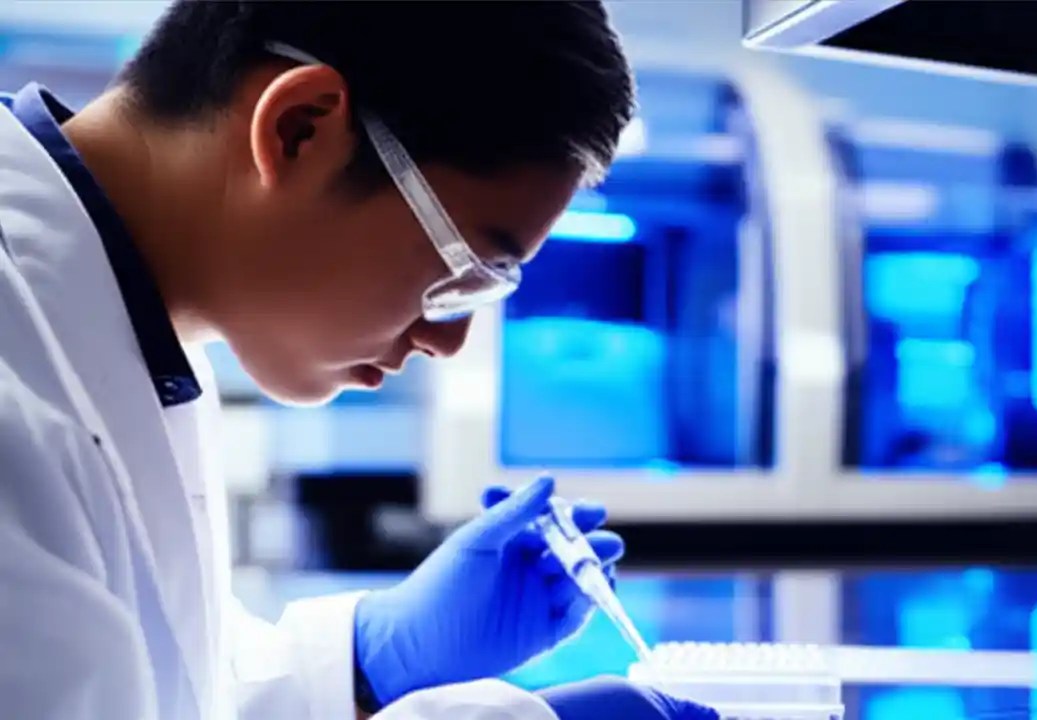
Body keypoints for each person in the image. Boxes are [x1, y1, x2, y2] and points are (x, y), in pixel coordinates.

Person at [0, 2, 719, 720]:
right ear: (298, 130)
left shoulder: (118, 321)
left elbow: (164, 693)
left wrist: (364, 660)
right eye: (463, 269)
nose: (448, 340)